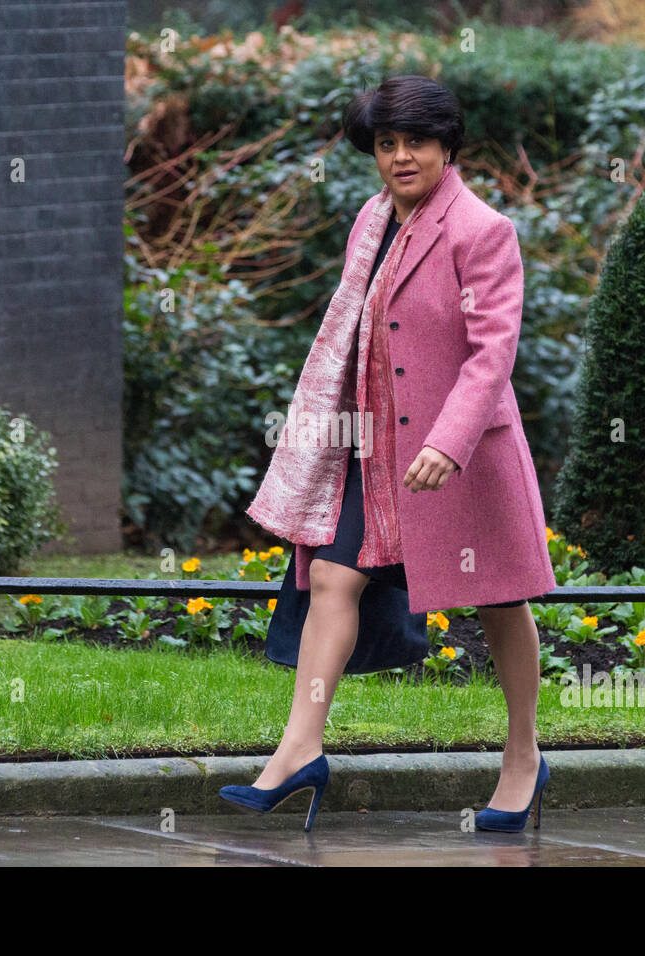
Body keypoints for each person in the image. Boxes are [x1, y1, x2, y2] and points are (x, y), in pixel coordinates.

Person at [221, 75, 557, 832]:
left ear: (447, 146)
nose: (401, 156)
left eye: (416, 142)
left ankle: (523, 756)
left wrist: (448, 439)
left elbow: (491, 353)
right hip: (371, 452)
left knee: (501, 604)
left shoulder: (481, 230)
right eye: (386, 144)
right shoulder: (370, 223)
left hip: (462, 454)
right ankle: (299, 749)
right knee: (333, 576)